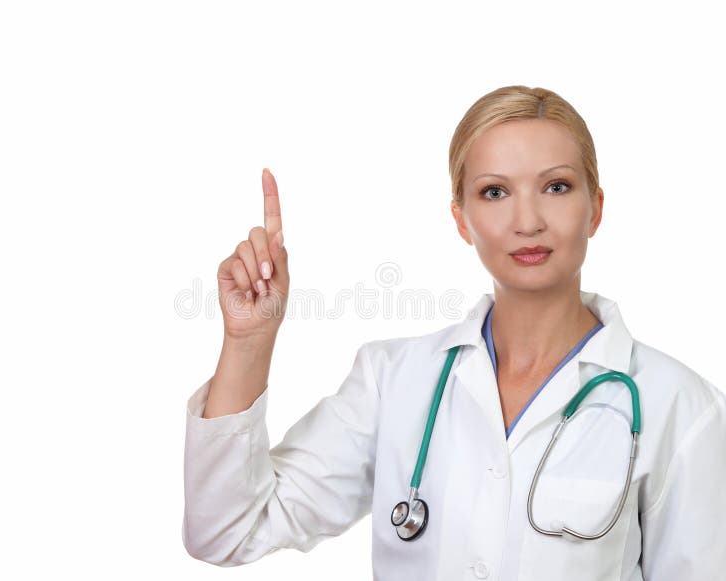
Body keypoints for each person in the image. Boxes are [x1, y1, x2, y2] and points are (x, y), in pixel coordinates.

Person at [181, 85, 726, 580]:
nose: (528, 220)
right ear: (461, 218)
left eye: (556, 186)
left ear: (595, 208)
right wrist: (249, 343)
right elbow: (228, 530)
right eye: (495, 192)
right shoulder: (392, 381)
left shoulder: (678, 406)